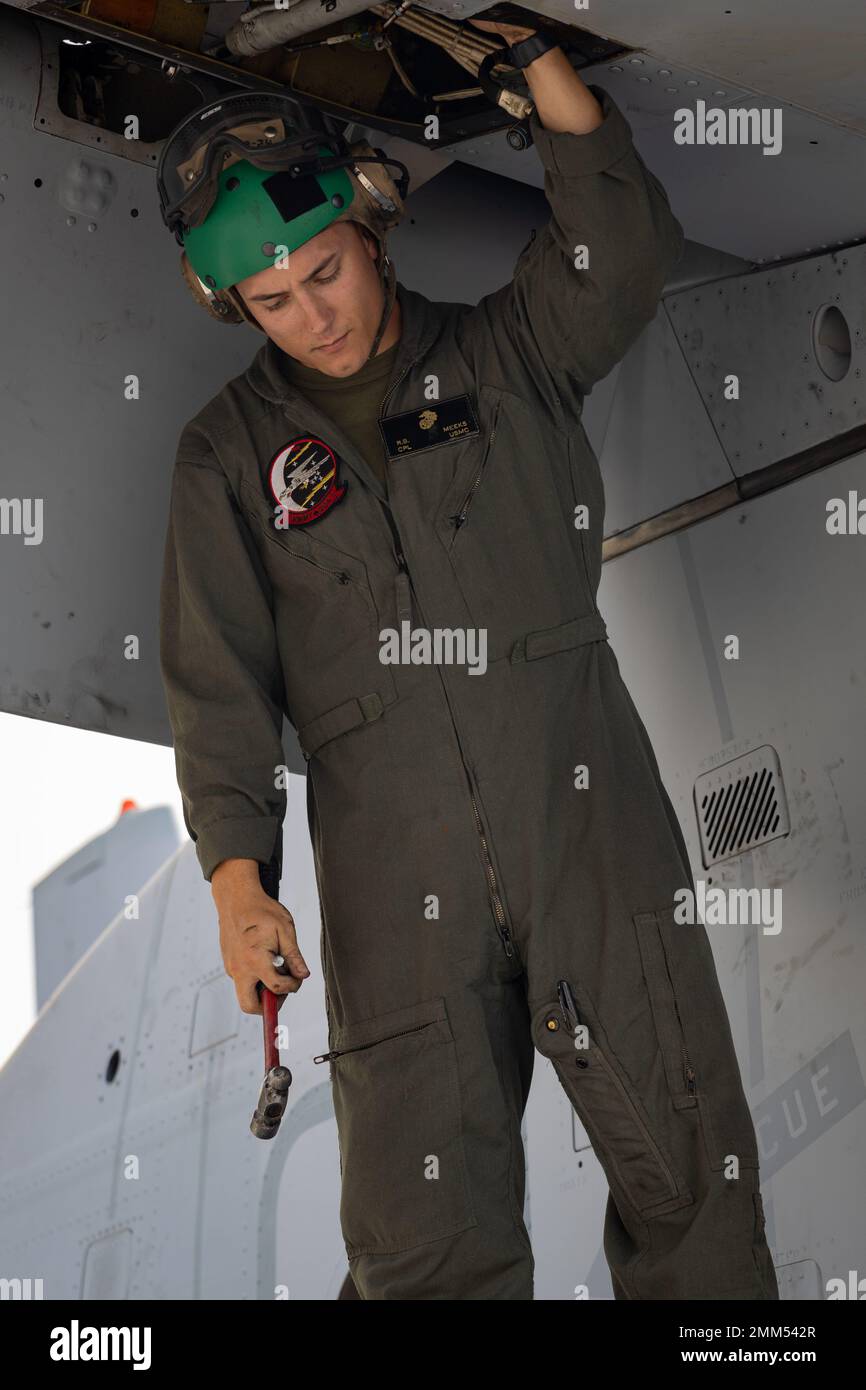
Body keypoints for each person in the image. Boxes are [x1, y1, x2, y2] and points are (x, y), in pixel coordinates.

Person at [158, 19, 779, 1300]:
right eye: (270, 302)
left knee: (693, 1204)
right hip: (394, 895)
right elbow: (217, 687)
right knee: (426, 1259)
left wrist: (531, 61)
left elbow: (615, 263)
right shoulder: (225, 462)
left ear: (368, 229)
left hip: (587, 835)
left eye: (321, 272)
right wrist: (238, 886)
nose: (309, 317)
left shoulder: (508, 359)